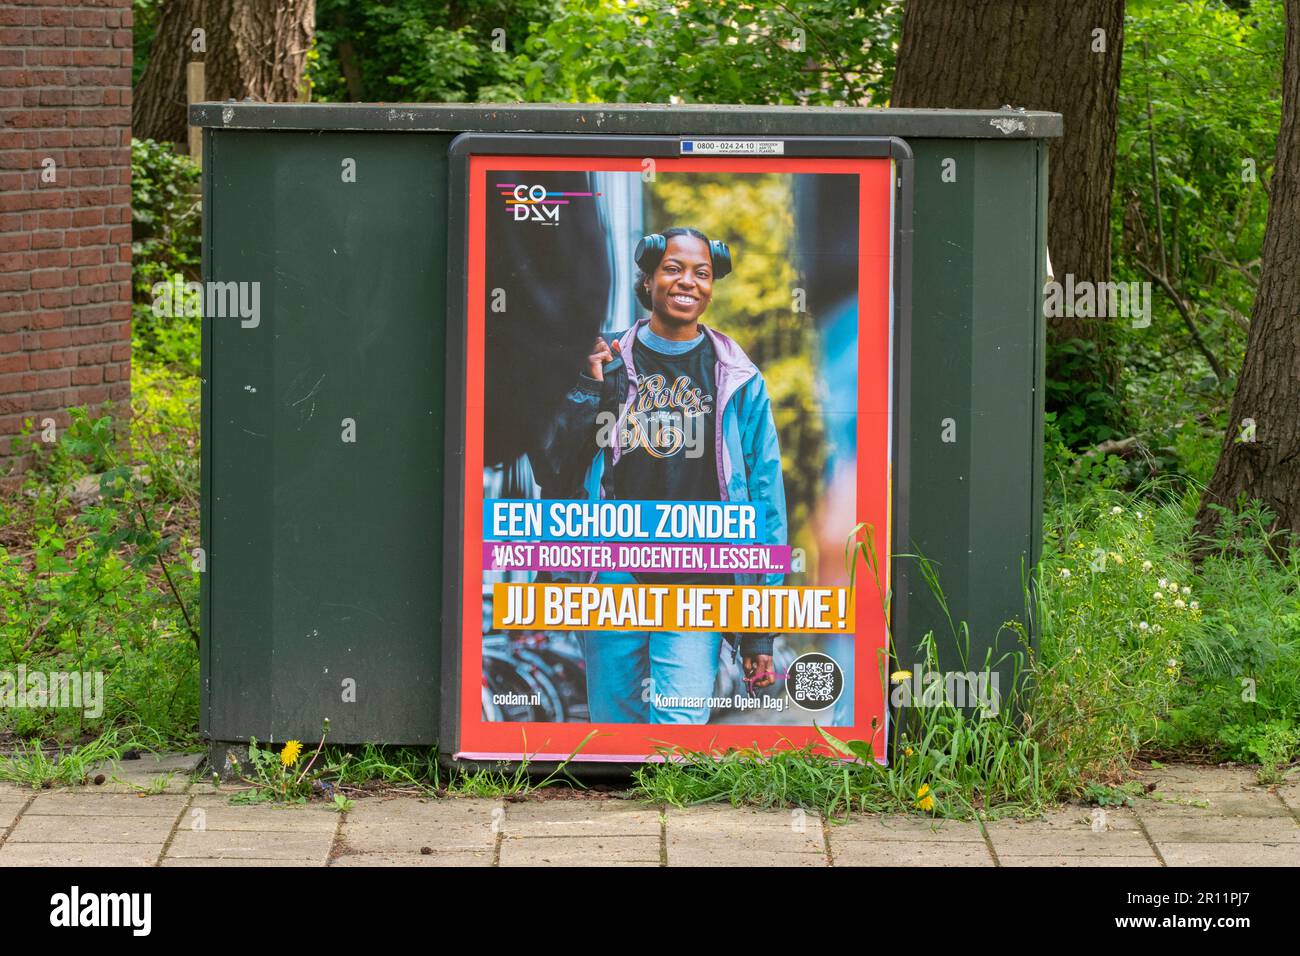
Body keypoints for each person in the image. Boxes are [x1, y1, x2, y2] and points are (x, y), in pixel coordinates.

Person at [534, 227, 788, 723]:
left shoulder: (739, 377)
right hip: (614, 572)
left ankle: (663, 806)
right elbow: (552, 466)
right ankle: (622, 806)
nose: (687, 282)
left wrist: (760, 624)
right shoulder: (602, 360)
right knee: (612, 731)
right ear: (648, 279)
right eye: (673, 268)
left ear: (713, 286)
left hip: (700, 575)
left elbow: (765, 497)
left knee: (681, 727)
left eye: (702, 273)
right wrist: (588, 386)